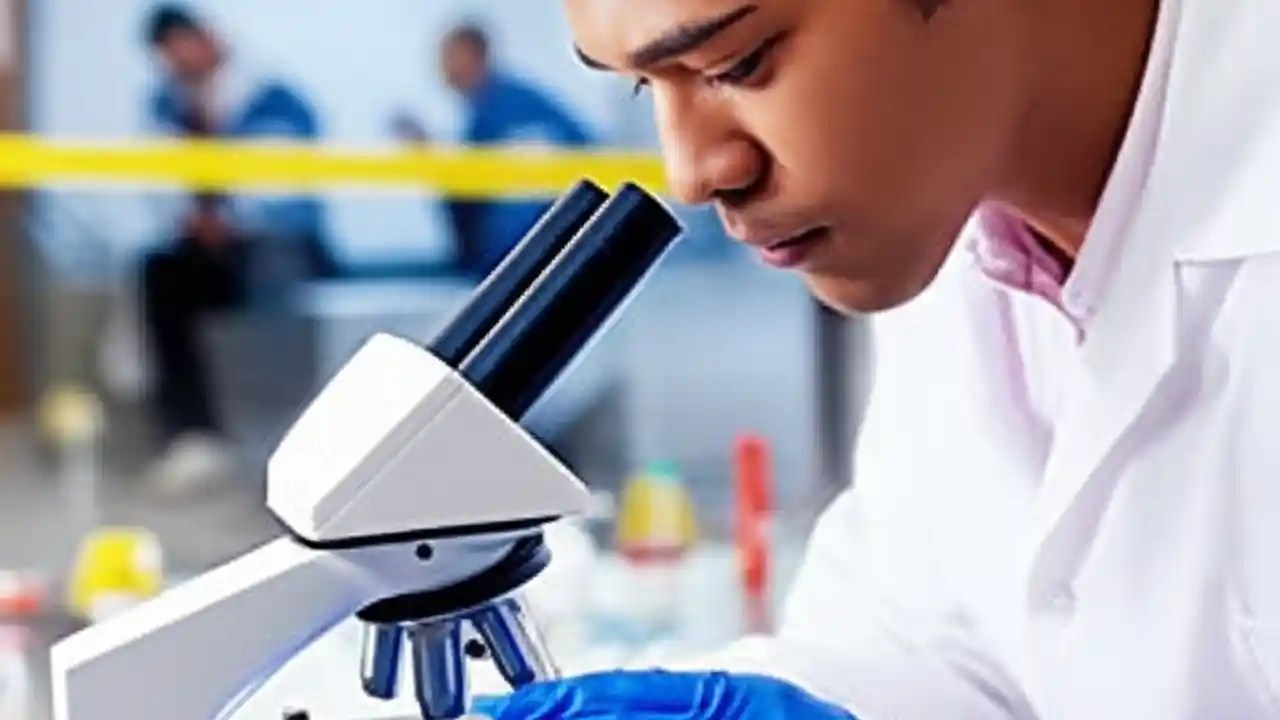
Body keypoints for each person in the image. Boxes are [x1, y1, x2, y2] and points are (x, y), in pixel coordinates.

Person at [477, 0, 1280, 718]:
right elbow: (940, 636)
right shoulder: (950, 210)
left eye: (738, 65)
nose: (692, 173)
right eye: (643, 87)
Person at [140, 5, 334, 491]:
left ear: (206, 40)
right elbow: (160, 181)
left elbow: (284, 188)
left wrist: (230, 219)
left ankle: (286, 434)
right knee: (160, 272)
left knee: (270, 270)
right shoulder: (169, 103)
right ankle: (194, 436)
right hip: (210, 246)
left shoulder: (273, 97)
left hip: (278, 241)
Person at [397, 23, 594, 276]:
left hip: (527, 256)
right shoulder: (487, 111)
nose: (443, 69)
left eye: (450, 57)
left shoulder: (513, 109)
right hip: (525, 256)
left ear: (475, 55)